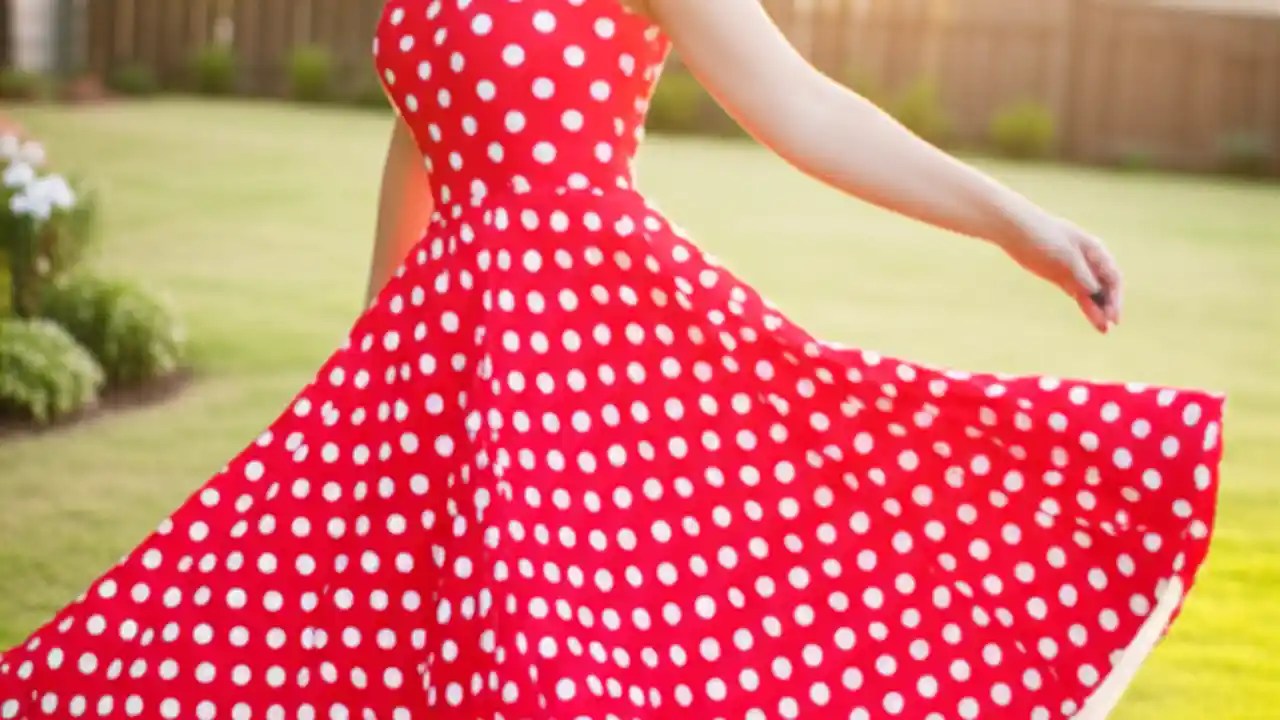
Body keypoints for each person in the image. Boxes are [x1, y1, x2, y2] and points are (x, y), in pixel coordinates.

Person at [0, 0, 1224, 718]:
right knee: (317, 625)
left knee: (561, 652)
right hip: (443, 355)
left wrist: (1015, 224)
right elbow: (420, 139)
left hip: (587, 347)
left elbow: (802, 107)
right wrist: (367, 362)